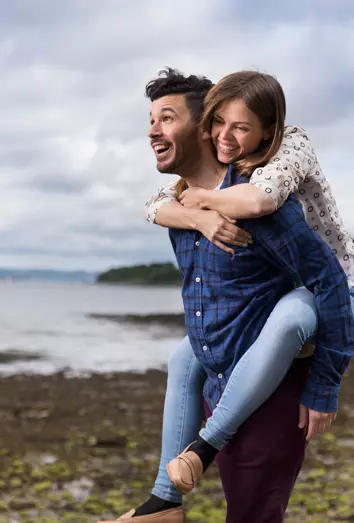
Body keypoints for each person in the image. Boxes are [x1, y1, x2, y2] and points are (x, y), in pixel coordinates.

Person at [99, 70, 354, 523]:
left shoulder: (269, 190)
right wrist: (195, 213)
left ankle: (203, 447)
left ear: (199, 128)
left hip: (325, 309)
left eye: (167, 117)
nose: (152, 129)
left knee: (294, 314)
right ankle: (164, 500)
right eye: (150, 119)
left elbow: (326, 279)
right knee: (183, 359)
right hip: (231, 374)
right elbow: (154, 207)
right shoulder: (181, 201)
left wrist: (324, 386)